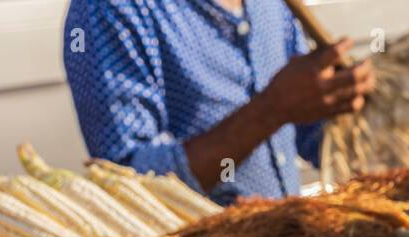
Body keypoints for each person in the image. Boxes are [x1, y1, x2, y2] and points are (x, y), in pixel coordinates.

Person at [63, 0, 375, 203]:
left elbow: (307, 128)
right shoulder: (110, 9)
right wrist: (271, 110)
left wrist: (341, 102)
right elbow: (127, 182)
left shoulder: (270, 7)